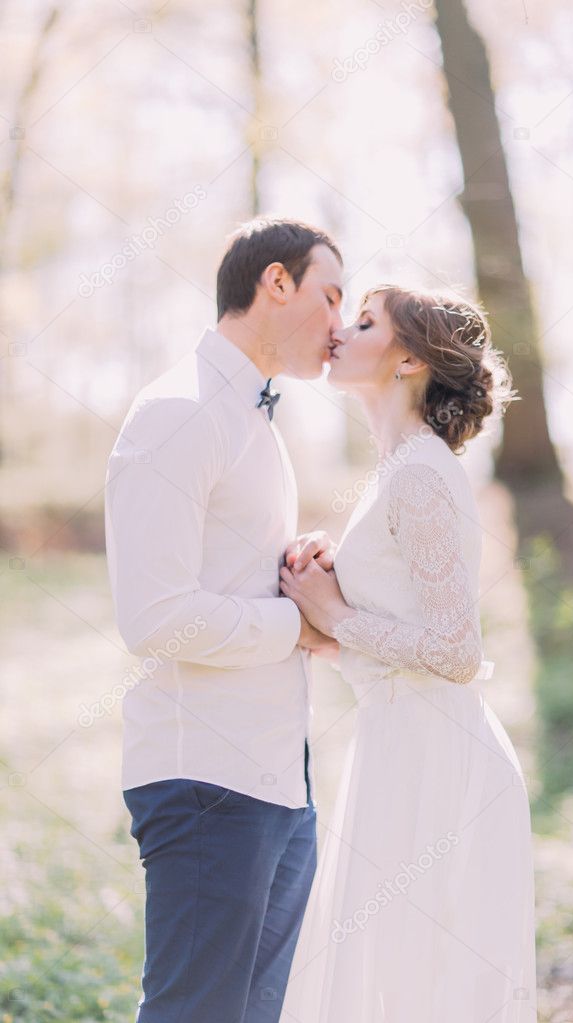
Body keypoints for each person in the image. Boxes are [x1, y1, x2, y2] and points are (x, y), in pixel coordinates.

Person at [104, 217, 344, 1022]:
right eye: (331, 294)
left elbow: (233, 575)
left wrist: (301, 565)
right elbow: (155, 616)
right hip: (207, 780)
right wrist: (296, 628)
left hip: (280, 779)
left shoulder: (259, 425)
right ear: (275, 283)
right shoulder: (176, 410)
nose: (341, 324)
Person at [280, 285, 537, 1022]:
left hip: (435, 753)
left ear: (410, 359)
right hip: (399, 741)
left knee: (413, 979)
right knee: (392, 977)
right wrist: (326, 614)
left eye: (364, 323)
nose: (340, 331)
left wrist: (333, 612)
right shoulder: (399, 470)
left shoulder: (420, 472)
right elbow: (400, 633)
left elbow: (457, 650)